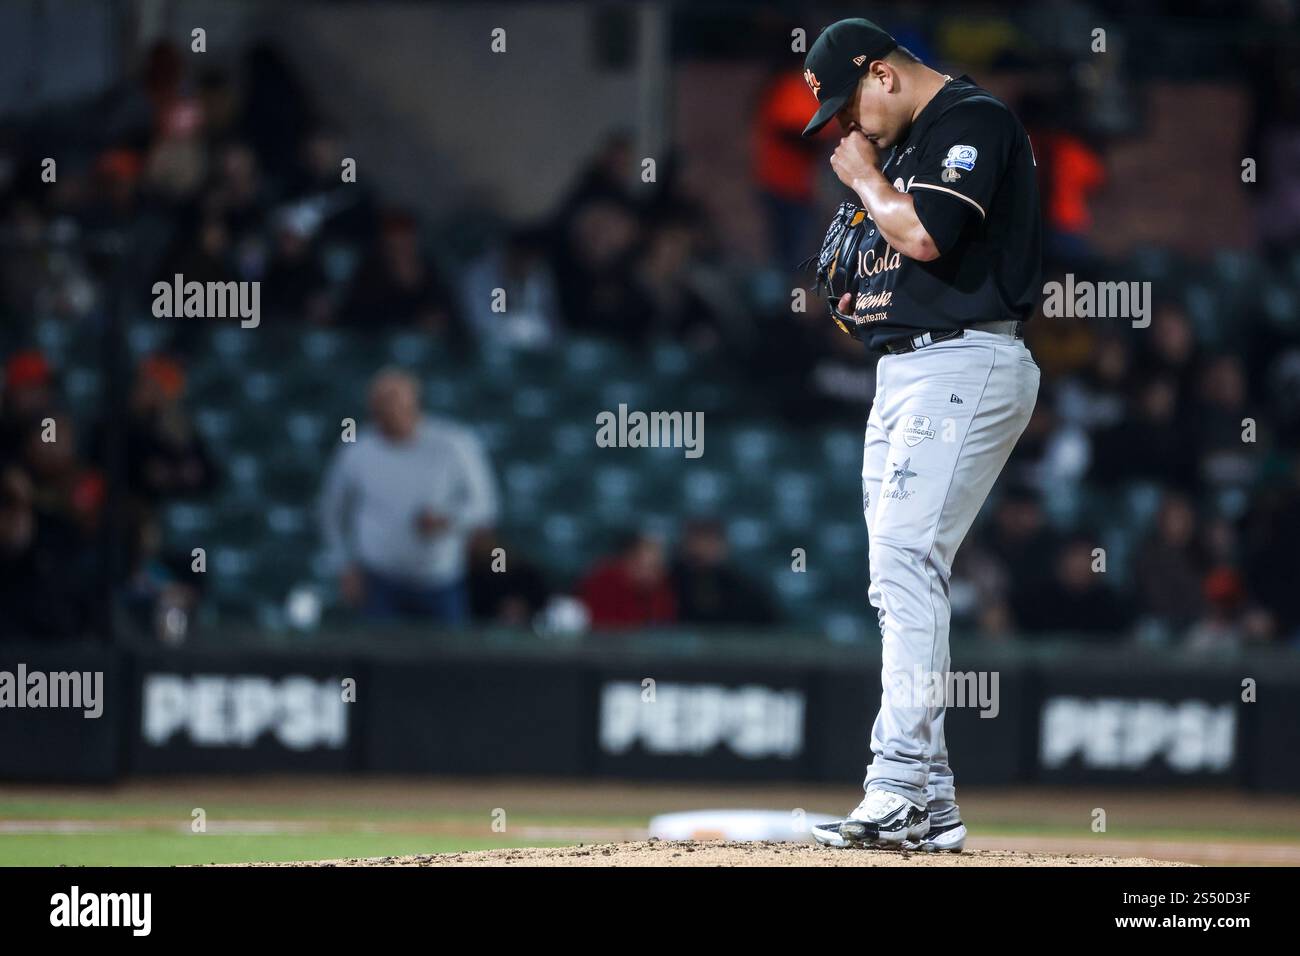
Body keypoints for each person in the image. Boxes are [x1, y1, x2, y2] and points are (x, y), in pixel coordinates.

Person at [799, 19, 1042, 854]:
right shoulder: (899, 147)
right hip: (906, 370)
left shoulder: (974, 121)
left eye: (849, 103)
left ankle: (897, 784)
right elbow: (878, 271)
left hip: (968, 361)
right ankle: (931, 803)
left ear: (886, 76)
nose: (846, 127)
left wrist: (867, 178)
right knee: (893, 573)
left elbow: (928, 234)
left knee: (906, 563)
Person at [319, 369, 498, 626]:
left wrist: (449, 520)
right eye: (383, 404)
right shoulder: (356, 449)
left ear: (415, 402)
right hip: (379, 584)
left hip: (441, 581)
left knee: (449, 663)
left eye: (397, 401)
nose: (391, 411)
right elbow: (331, 511)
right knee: (378, 661)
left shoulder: (455, 443)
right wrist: (344, 565)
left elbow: (485, 506)